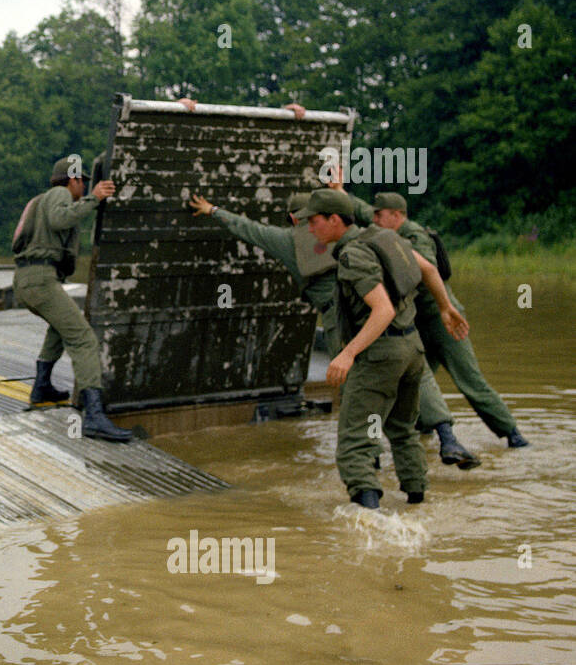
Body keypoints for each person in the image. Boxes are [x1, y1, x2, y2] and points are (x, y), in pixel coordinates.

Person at [188, 188, 481, 468]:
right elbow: (425, 268)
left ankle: (370, 457)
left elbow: (247, 229)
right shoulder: (361, 235)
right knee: (419, 378)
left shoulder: (288, 241)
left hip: (340, 323)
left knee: (359, 391)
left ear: (294, 218)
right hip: (385, 311)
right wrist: (445, 306)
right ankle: (447, 438)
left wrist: (211, 210)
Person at [299, 188, 469, 508]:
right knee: (403, 430)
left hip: (381, 354)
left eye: (315, 221)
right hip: (412, 349)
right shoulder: (384, 237)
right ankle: (417, 503)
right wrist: (445, 308)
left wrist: (348, 354)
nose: (310, 229)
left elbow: (383, 310)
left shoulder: (353, 255)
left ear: (335, 220)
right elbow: (429, 270)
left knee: (353, 443)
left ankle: (369, 518)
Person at [369, 192, 529, 449]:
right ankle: (424, 430)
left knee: (470, 380)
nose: (374, 219)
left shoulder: (414, 237)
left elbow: (424, 273)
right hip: (419, 324)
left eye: (379, 214)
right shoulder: (391, 236)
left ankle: (513, 433)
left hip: (444, 320)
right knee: (415, 382)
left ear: (396, 215)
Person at [13, 155, 133, 442]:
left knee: (60, 327)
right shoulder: (58, 195)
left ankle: (42, 387)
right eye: (83, 183)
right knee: (83, 338)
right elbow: (60, 220)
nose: (83, 187)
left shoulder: (42, 199)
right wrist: (93, 199)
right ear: (74, 180)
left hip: (31, 280)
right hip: (40, 280)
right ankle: (94, 416)